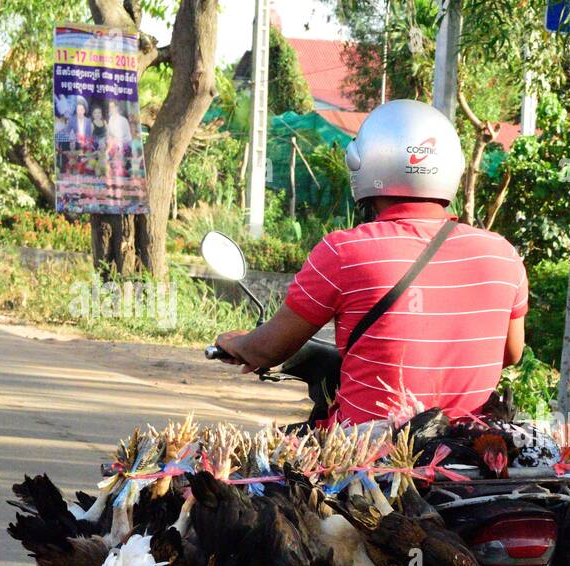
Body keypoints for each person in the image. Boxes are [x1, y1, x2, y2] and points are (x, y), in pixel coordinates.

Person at [213, 99, 527, 425]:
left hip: (367, 458)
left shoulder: (344, 252)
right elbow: (510, 353)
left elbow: (267, 351)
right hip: (474, 452)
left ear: (365, 163)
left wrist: (237, 343)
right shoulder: (503, 255)